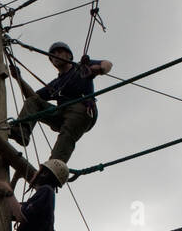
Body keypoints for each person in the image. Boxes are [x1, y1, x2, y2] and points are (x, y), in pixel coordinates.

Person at [9, 41, 113, 169]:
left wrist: (99, 69)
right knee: (33, 102)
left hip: (81, 110)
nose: (55, 55)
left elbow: (107, 64)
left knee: (66, 134)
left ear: (70, 56)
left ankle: (52, 168)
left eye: (59, 52)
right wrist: (18, 78)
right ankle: (21, 131)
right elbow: (33, 97)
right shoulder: (56, 84)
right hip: (61, 114)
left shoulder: (80, 67)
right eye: (52, 55)